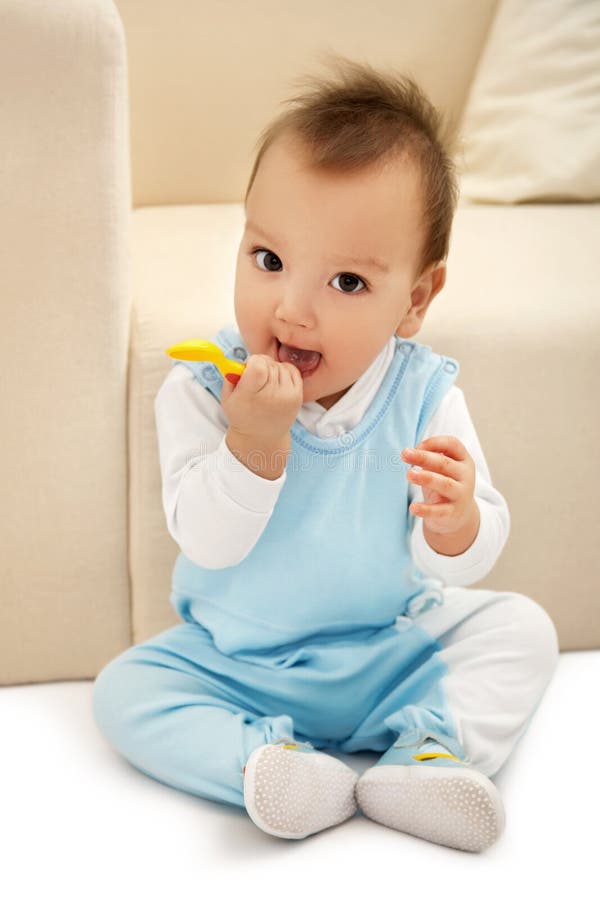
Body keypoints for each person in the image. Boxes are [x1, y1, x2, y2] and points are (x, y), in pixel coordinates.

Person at [92, 55, 559, 852]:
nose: (292, 309)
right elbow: (206, 541)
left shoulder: (423, 395)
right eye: (269, 261)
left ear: (415, 300)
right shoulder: (204, 388)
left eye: (346, 282)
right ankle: (272, 765)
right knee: (124, 691)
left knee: (522, 627)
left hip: (386, 652)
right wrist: (253, 443)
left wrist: (455, 523)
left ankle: (427, 752)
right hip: (236, 666)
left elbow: (459, 563)